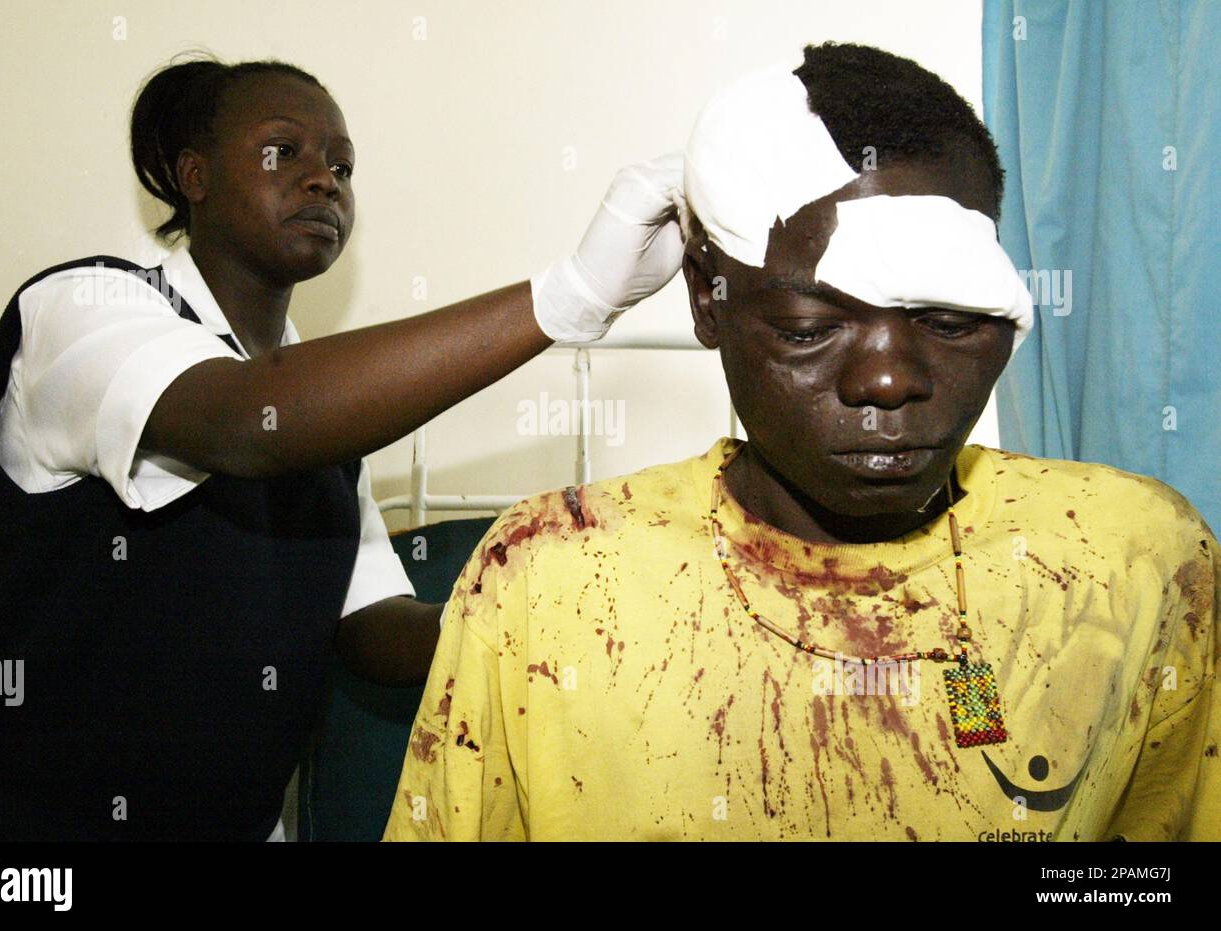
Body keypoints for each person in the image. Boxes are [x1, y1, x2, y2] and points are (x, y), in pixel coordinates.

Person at [382, 43, 1219, 842]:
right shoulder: (552, 578)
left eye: (950, 320)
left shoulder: (1132, 561)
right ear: (707, 305)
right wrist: (566, 296)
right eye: (812, 328)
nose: (888, 381)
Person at [0, 55, 684, 841]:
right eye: (283, 152)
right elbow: (249, 422)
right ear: (195, 175)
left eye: (342, 165)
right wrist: (569, 299)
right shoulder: (87, 311)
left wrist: (530, 610)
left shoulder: (325, 418)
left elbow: (371, 628)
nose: (325, 180)